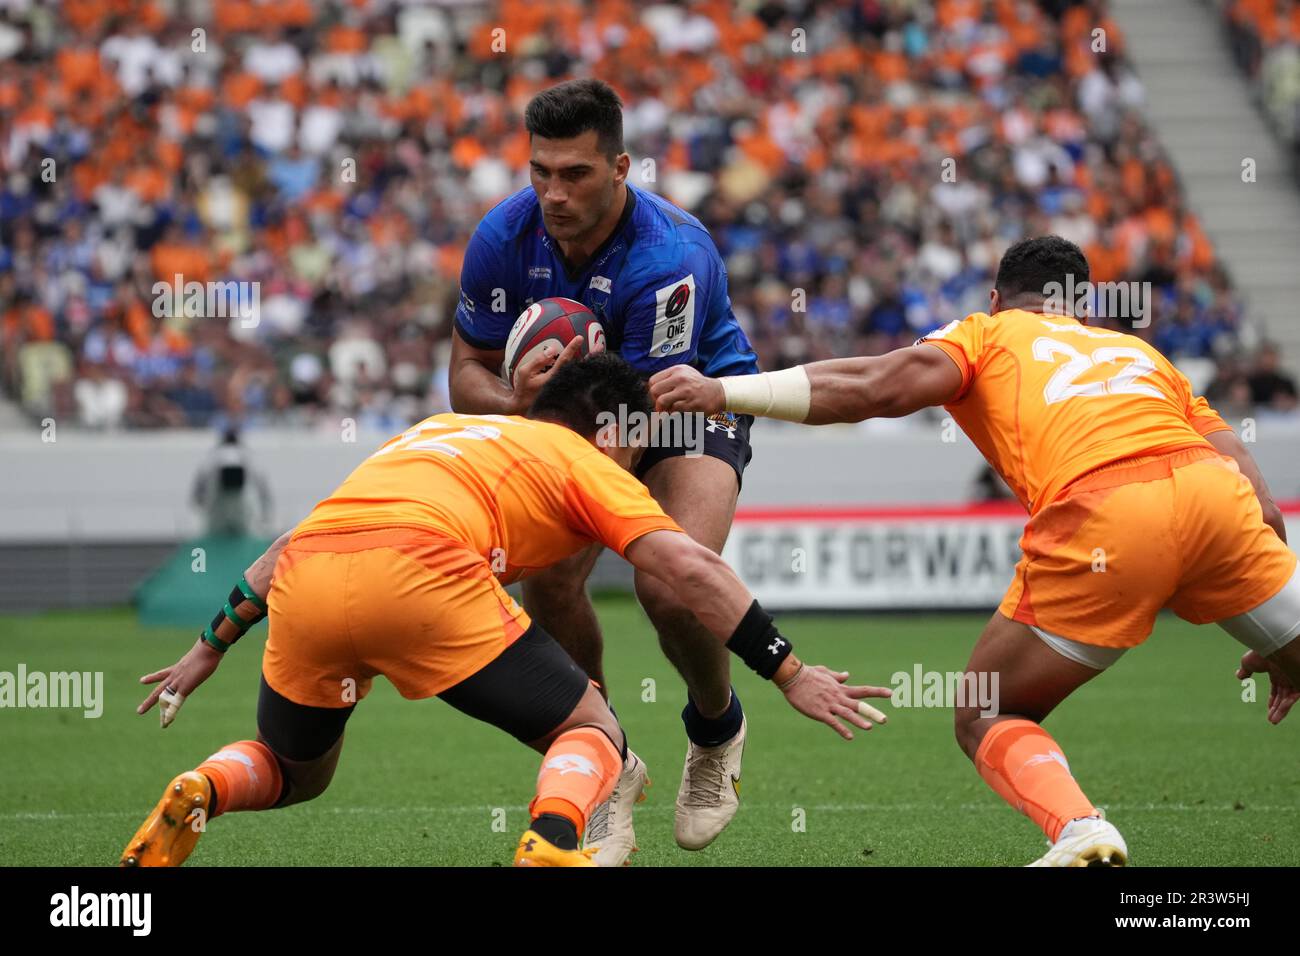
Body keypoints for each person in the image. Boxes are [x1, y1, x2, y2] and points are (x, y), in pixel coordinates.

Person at [650, 236, 1300, 866]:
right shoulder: (1142, 356)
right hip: (1217, 497)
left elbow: (877, 386)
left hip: (1108, 509)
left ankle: (1080, 829)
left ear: (996, 297)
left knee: (988, 709)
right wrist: (1276, 637)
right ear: (1078, 303)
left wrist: (727, 391)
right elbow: (1257, 495)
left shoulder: (987, 334)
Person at [121, 355, 889, 868]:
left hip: (312, 572)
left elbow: (288, 543)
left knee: (292, 770)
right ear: (616, 430)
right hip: (422, 574)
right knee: (594, 732)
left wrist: (210, 646)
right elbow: (690, 566)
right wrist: (788, 671)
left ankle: (206, 788)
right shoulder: (587, 460)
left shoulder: (436, 429)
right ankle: (553, 844)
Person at [448, 78, 762, 862]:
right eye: (540, 172)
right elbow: (464, 376)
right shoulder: (502, 236)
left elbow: (633, 422)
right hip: (569, 416)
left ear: (622, 167)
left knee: (671, 581)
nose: (553, 193)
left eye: (576, 174)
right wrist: (514, 403)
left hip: (682, 405)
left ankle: (717, 729)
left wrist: (554, 456)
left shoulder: (670, 257)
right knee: (546, 581)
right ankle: (606, 759)